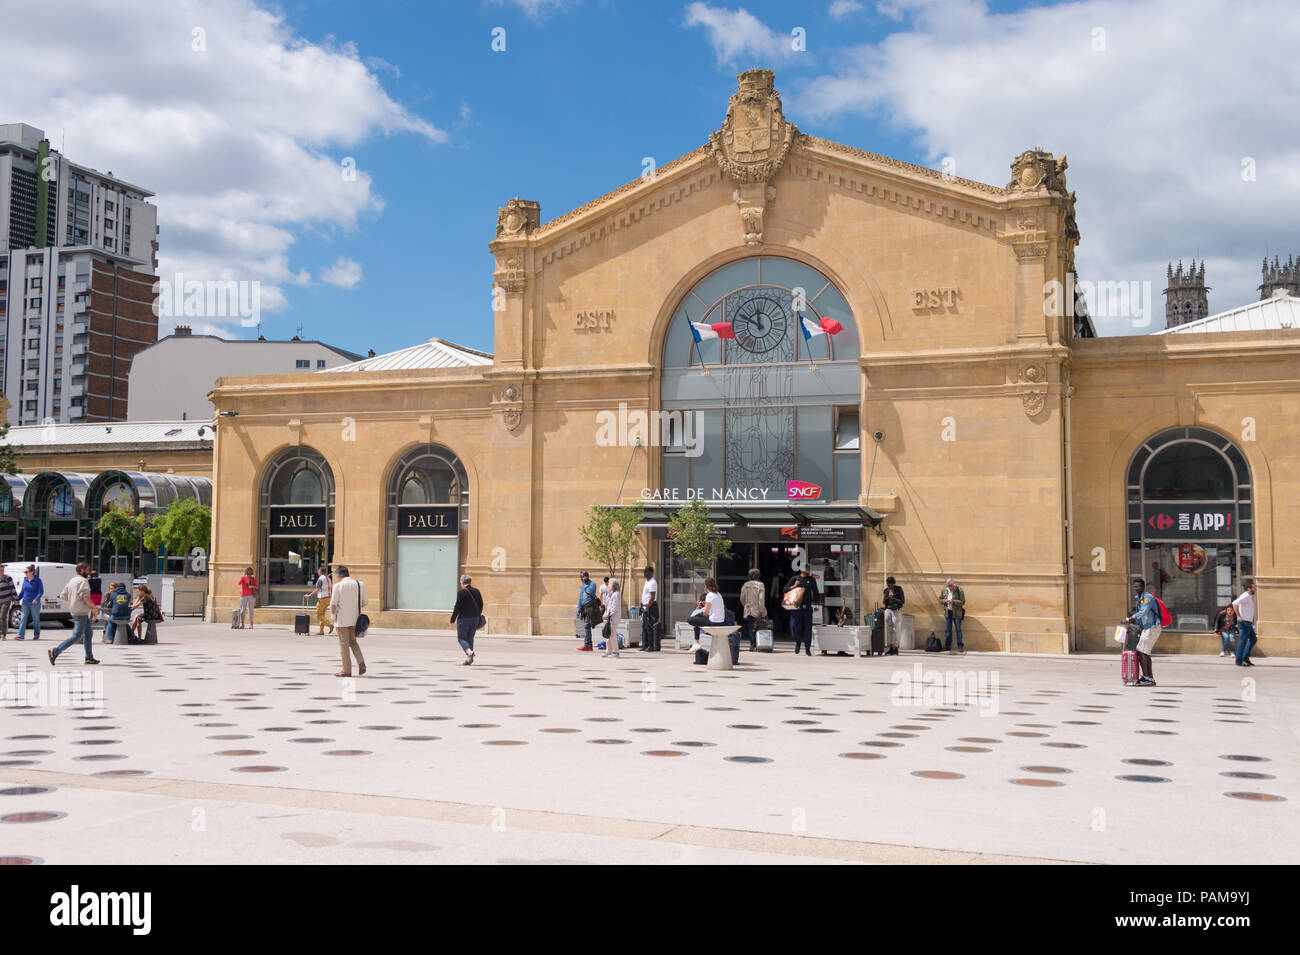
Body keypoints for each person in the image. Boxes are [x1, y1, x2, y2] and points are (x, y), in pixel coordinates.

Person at [48, 563, 98, 666]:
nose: (89, 573)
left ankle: (89, 658)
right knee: (76, 636)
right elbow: (86, 598)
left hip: (77, 611)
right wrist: (94, 607)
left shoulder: (72, 580)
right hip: (81, 612)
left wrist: (73, 602)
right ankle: (55, 651)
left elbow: (63, 596)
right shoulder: (83, 581)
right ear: (81, 570)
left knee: (88, 633)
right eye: (88, 570)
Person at [327, 566, 367, 678]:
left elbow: (333, 604)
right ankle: (361, 662)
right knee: (353, 642)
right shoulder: (360, 584)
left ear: (339, 576)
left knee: (343, 645)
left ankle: (346, 670)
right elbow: (365, 601)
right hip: (355, 619)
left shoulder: (338, 586)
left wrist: (333, 616)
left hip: (342, 620)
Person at [1124, 577, 1161, 686]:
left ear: (1143, 587)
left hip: (1152, 628)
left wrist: (1130, 619)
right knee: (1145, 652)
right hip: (1147, 628)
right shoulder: (1140, 598)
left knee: (1141, 651)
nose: (1136, 588)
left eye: (1138, 586)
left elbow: (1143, 612)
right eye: (1134, 586)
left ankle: (1147, 677)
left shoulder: (1147, 598)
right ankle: (1149, 678)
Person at [784, 567, 821, 656]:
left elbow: (815, 592)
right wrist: (794, 586)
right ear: (802, 569)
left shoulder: (811, 579)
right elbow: (785, 589)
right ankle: (798, 642)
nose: (808, 570)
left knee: (808, 628)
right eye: (807, 568)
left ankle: (807, 648)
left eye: (809, 568)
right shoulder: (795, 578)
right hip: (796, 607)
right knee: (794, 626)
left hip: (807, 607)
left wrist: (817, 605)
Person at [449, 574, 483, 665]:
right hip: (475, 619)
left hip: (464, 619)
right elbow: (481, 605)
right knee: (470, 638)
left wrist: (453, 618)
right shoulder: (477, 591)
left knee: (461, 638)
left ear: (462, 582)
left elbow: (457, 607)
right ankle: (468, 659)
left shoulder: (461, 593)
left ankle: (469, 652)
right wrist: (477, 614)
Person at [687, 577, 726, 654]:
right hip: (721, 621)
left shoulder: (709, 595)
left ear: (706, 586)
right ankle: (696, 643)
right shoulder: (718, 594)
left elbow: (705, 613)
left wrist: (697, 614)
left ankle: (696, 642)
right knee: (697, 622)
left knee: (690, 619)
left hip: (714, 622)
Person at [740, 568, 766, 651]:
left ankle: (752, 644)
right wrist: (763, 610)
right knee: (760, 627)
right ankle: (760, 643)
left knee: (751, 627)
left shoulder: (745, 585)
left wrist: (745, 606)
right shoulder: (761, 585)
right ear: (759, 576)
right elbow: (761, 599)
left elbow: (742, 598)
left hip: (749, 610)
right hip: (758, 609)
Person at [1232, 580, 1257, 667]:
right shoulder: (1245, 596)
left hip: (1248, 623)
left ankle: (1245, 657)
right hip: (1244, 623)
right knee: (1243, 641)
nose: (1255, 589)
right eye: (1254, 587)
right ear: (1249, 588)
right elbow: (1234, 603)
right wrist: (1238, 616)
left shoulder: (1248, 596)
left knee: (1253, 639)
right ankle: (1238, 661)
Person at [15, 565, 43, 640]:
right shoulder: (25, 580)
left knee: (36, 619)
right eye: (25, 572)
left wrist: (36, 599)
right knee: (23, 618)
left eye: (26, 572)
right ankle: (20, 635)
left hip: (34, 604)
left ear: (32, 572)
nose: (25, 573)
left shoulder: (37, 580)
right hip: (25, 603)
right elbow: (22, 592)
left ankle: (36, 634)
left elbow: (41, 592)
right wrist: (17, 599)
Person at [303, 566, 333, 635]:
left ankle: (330, 625)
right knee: (322, 614)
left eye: (318, 571)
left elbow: (317, 589)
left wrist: (309, 595)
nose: (318, 572)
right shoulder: (328, 578)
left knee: (318, 615)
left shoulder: (320, 579)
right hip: (328, 598)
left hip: (322, 598)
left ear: (320, 572)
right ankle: (321, 630)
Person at [939, 577, 966, 654]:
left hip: (957, 613)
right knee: (948, 630)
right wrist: (945, 601)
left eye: (951, 586)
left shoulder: (959, 589)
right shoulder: (944, 589)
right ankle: (948, 646)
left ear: (953, 584)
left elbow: (962, 601)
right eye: (948, 586)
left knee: (958, 630)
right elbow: (940, 600)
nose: (949, 588)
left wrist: (953, 602)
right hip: (948, 612)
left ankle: (960, 646)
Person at [638, 565, 660, 653]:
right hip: (645, 606)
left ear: (651, 573)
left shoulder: (652, 582)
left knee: (649, 627)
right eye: (644, 572)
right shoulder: (647, 582)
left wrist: (647, 607)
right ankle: (645, 645)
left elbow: (652, 596)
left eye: (646, 572)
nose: (645, 574)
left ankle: (651, 646)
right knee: (644, 627)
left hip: (650, 606)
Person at [575, 570, 599, 651]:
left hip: (590, 608)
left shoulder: (592, 584)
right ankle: (589, 645)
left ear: (588, 576)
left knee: (587, 626)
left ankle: (587, 645)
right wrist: (578, 609)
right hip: (584, 608)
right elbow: (580, 598)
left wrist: (585, 584)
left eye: (585, 576)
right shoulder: (582, 586)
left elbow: (589, 591)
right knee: (586, 627)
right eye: (582, 577)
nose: (583, 578)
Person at [882, 576, 905, 655]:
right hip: (888, 610)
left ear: (893, 583)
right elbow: (884, 601)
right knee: (890, 630)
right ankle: (891, 647)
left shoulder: (899, 589)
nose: (889, 586)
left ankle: (896, 647)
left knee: (896, 629)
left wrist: (893, 598)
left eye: (890, 584)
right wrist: (887, 597)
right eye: (888, 584)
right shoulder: (886, 590)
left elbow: (902, 601)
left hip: (895, 610)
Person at [601, 580, 622, 658]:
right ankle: (608, 651)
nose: (608, 586)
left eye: (609, 585)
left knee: (612, 635)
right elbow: (608, 606)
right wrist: (605, 614)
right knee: (609, 635)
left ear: (613, 586)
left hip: (613, 618)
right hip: (610, 618)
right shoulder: (611, 594)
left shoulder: (616, 594)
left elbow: (614, 608)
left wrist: (607, 615)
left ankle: (616, 652)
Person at [0, 564, 14, 641]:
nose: (1, 571)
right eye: (0, 570)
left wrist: (16, 599)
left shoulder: (8, 578)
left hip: (6, 600)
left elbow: (12, 588)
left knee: (2, 616)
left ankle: (3, 634)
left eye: (2, 570)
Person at [88, 570, 103, 638]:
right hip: (99, 594)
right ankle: (91, 618)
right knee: (94, 606)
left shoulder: (89, 580)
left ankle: (96, 618)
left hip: (92, 594)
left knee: (92, 606)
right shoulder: (99, 580)